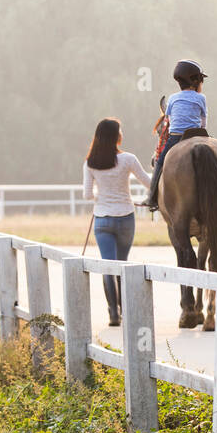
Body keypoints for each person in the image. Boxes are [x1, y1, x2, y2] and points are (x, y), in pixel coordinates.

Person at [143, 59, 217, 211]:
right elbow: (203, 118)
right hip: (197, 134)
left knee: (160, 161)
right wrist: (203, 133)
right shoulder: (201, 98)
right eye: (201, 80)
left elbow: (169, 118)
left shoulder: (173, 98)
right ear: (195, 81)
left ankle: (152, 197)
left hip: (175, 136)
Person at [82, 117, 151, 326]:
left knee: (108, 266)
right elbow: (149, 183)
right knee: (122, 265)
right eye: (120, 131)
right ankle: (125, 309)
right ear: (117, 137)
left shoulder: (90, 163)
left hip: (102, 220)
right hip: (126, 218)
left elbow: (86, 195)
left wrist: (101, 196)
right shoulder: (128, 159)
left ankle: (113, 313)